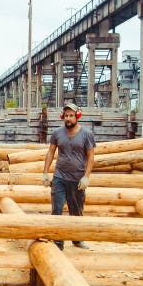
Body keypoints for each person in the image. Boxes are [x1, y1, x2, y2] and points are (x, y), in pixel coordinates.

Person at [42, 102, 95, 250]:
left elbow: (91, 157)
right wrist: (45, 173)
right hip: (59, 177)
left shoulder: (86, 134)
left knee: (76, 211)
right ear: (62, 117)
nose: (68, 118)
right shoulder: (57, 133)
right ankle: (58, 241)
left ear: (77, 116)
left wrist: (86, 177)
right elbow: (51, 152)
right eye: (66, 115)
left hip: (77, 179)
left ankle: (77, 239)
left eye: (71, 115)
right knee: (57, 209)